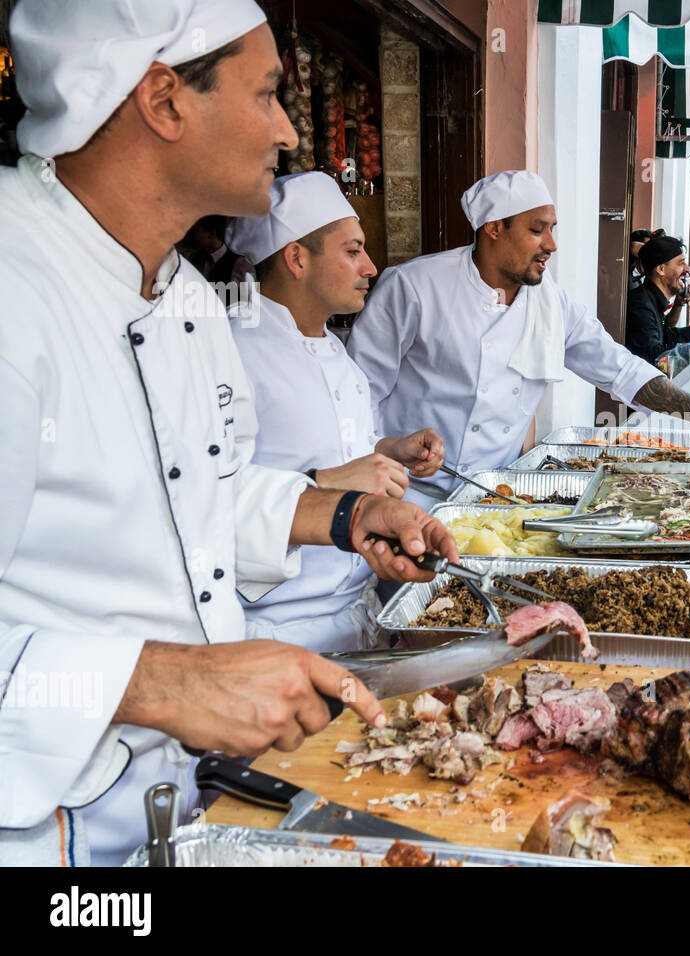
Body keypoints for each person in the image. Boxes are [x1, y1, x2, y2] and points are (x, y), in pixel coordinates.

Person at [0, 0, 455, 866]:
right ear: (165, 101)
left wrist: (341, 514)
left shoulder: (186, 299)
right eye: (269, 95)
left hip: (172, 802)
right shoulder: (11, 281)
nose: (288, 131)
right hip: (38, 832)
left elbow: (194, 491)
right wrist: (168, 682)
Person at [347, 174, 690, 507]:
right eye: (537, 230)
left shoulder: (550, 302)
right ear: (494, 227)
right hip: (405, 494)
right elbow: (357, 393)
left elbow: (619, 368)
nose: (552, 245)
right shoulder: (415, 287)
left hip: (495, 495)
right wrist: (375, 466)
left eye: (552, 229)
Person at [226, 172, 449, 653]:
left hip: (360, 612)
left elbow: (329, 446)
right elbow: (207, 498)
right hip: (278, 632)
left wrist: (388, 450)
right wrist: (334, 481)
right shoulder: (229, 351)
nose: (371, 267)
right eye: (353, 251)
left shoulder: (336, 351)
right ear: (297, 257)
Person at [625, 234, 690, 365]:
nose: (687, 269)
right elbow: (654, 354)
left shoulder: (649, 300)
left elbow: (668, 336)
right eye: (681, 263)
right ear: (661, 269)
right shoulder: (639, 304)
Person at [184, 214, 253, 290]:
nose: (191, 235)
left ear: (211, 234)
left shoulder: (240, 264)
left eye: (196, 231)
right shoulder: (193, 259)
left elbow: (250, 298)